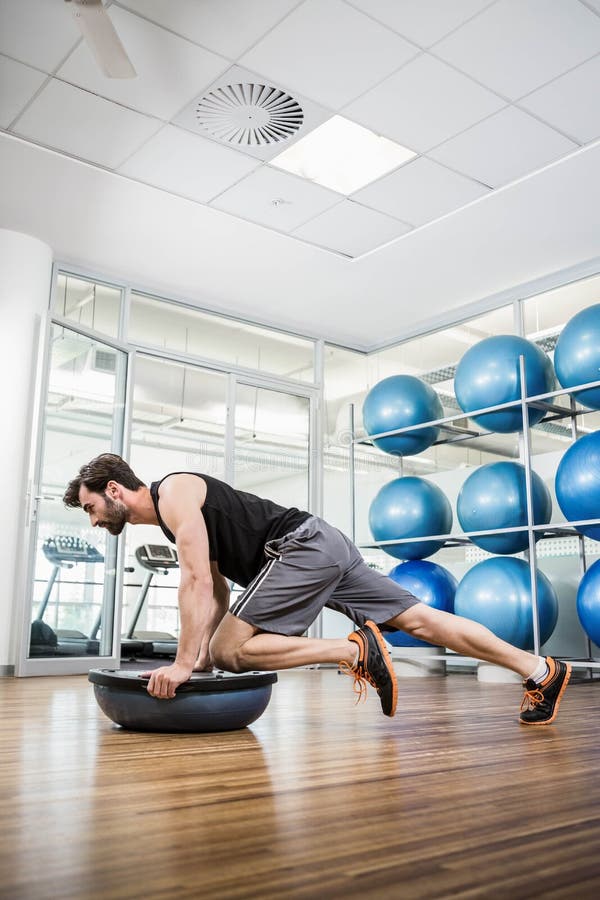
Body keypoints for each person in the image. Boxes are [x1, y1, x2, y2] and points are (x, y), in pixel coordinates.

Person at [63, 454, 571, 725]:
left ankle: (351, 651)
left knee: (230, 650)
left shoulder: (173, 492)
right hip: (322, 542)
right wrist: (194, 663)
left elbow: (195, 582)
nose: (93, 520)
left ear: (112, 490)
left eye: (90, 508)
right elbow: (215, 589)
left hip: (300, 546)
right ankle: (540, 670)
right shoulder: (178, 516)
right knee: (421, 620)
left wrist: (184, 661)